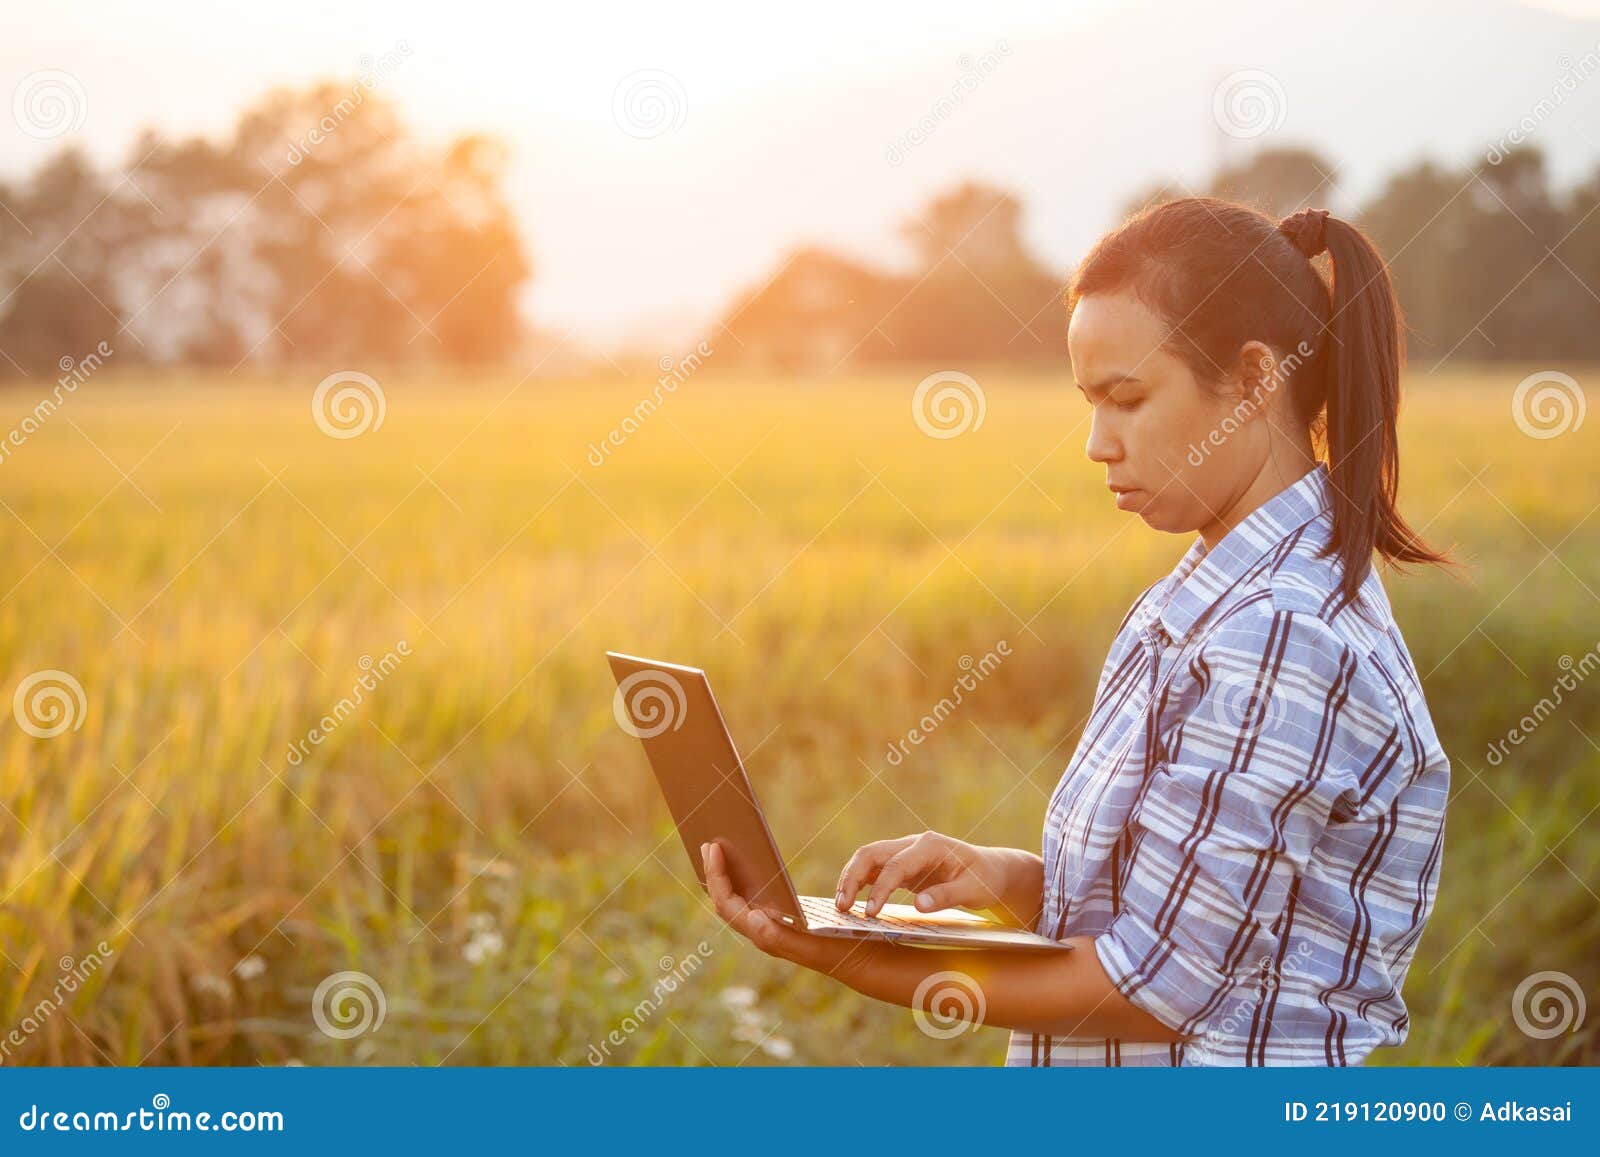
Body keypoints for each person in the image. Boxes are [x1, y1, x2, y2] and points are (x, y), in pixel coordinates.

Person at [702, 197, 1454, 1066]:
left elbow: (1153, 988)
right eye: (1088, 402)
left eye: (1126, 399)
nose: (1098, 443)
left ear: (1254, 381)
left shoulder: (1280, 636)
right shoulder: (1209, 602)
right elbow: (1180, 906)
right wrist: (1008, 879)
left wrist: (843, 952)